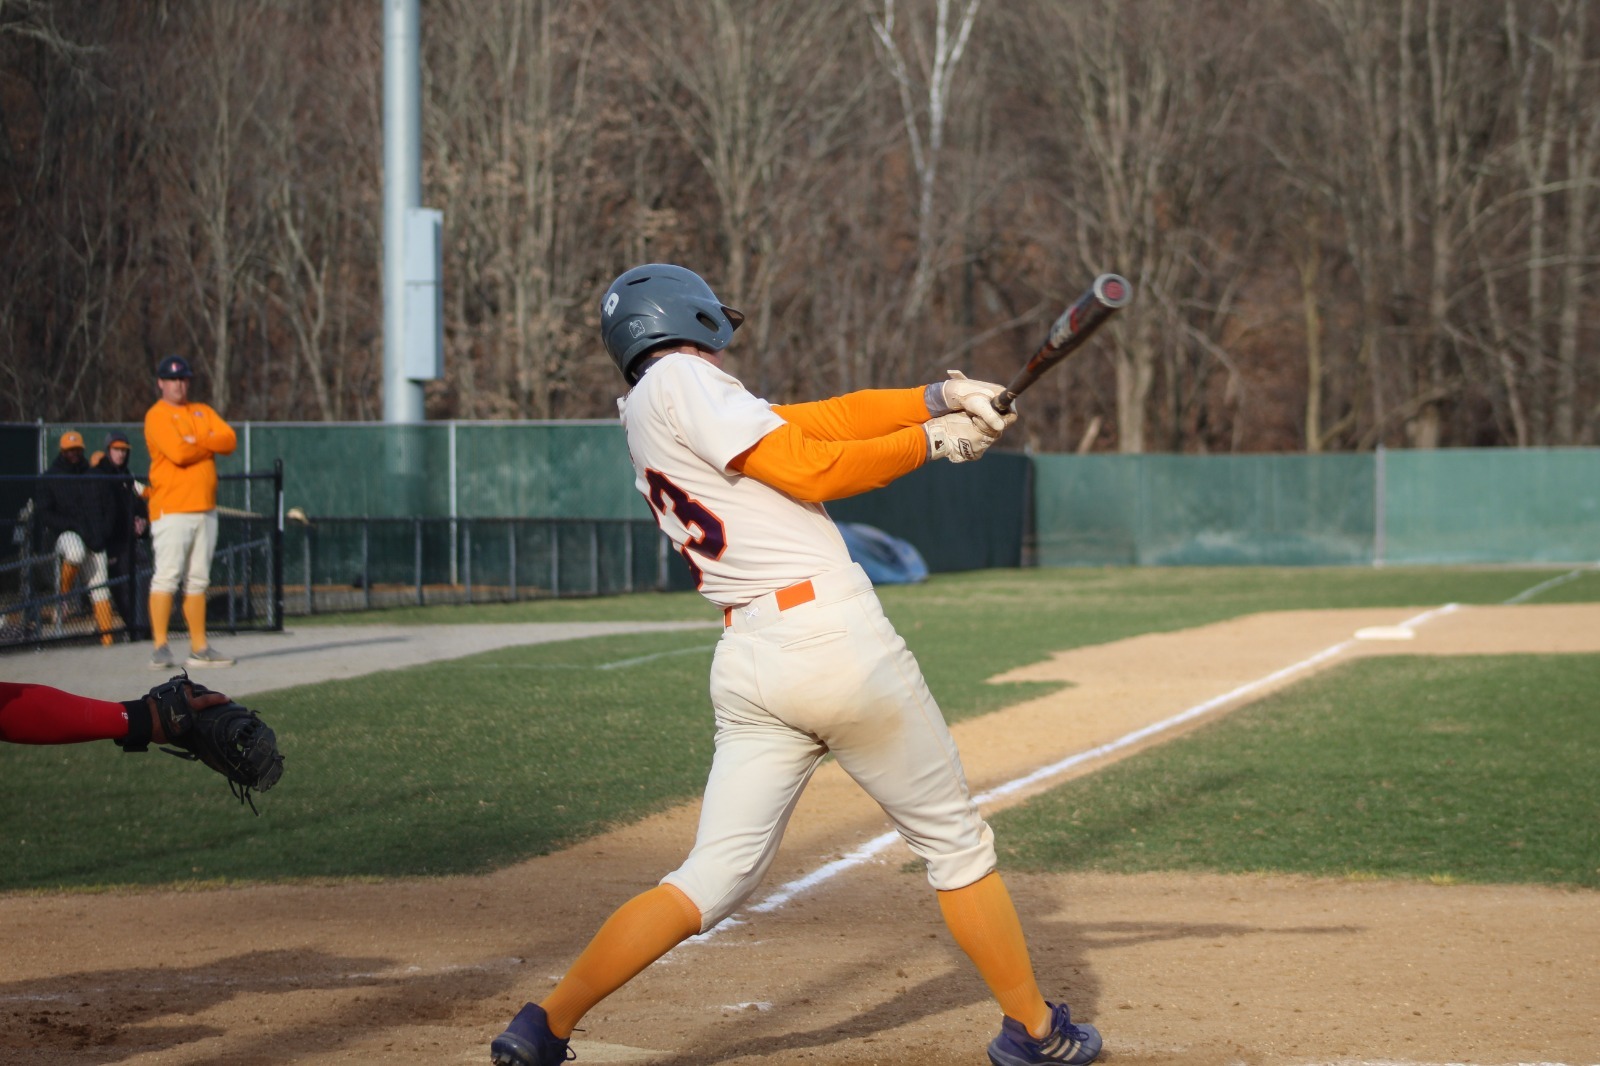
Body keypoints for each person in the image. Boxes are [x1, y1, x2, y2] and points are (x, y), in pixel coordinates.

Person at [490, 265, 1102, 1066]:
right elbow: (815, 467)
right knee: (956, 847)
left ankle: (544, 1025)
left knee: (710, 875)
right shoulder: (685, 380)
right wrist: (932, 444)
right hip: (832, 642)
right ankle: (1033, 1032)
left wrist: (937, 400)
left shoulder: (652, 404)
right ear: (689, 322)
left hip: (751, 659)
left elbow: (815, 423)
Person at [143, 355, 237, 669]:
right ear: (160, 382)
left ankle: (199, 647)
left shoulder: (202, 410)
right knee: (167, 577)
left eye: (183, 378)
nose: (178, 384)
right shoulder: (156, 415)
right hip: (172, 509)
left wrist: (198, 439)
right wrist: (206, 442)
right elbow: (179, 454)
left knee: (198, 580)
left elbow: (230, 439)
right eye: (172, 379)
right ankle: (160, 646)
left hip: (205, 509)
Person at [34, 430, 120, 644]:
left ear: (82, 450)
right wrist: (71, 525)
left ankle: (107, 641)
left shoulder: (93, 476)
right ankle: (63, 599)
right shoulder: (51, 477)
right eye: (69, 450)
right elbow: (45, 514)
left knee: (100, 589)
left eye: (77, 449)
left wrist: (103, 533)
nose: (73, 453)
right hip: (66, 533)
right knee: (75, 551)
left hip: (95, 537)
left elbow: (110, 507)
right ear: (62, 451)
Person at [92, 430, 150, 640]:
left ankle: (142, 631)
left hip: (131, 543)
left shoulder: (126, 475)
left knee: (144, 580)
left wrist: (142, 521)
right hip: (112, 544)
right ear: (108, 450)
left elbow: (139, 506)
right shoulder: (99, 475)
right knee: (123, 592)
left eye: (124, 450)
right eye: (117, 449)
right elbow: (100, 512)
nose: (121, 454)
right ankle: (135, 631)